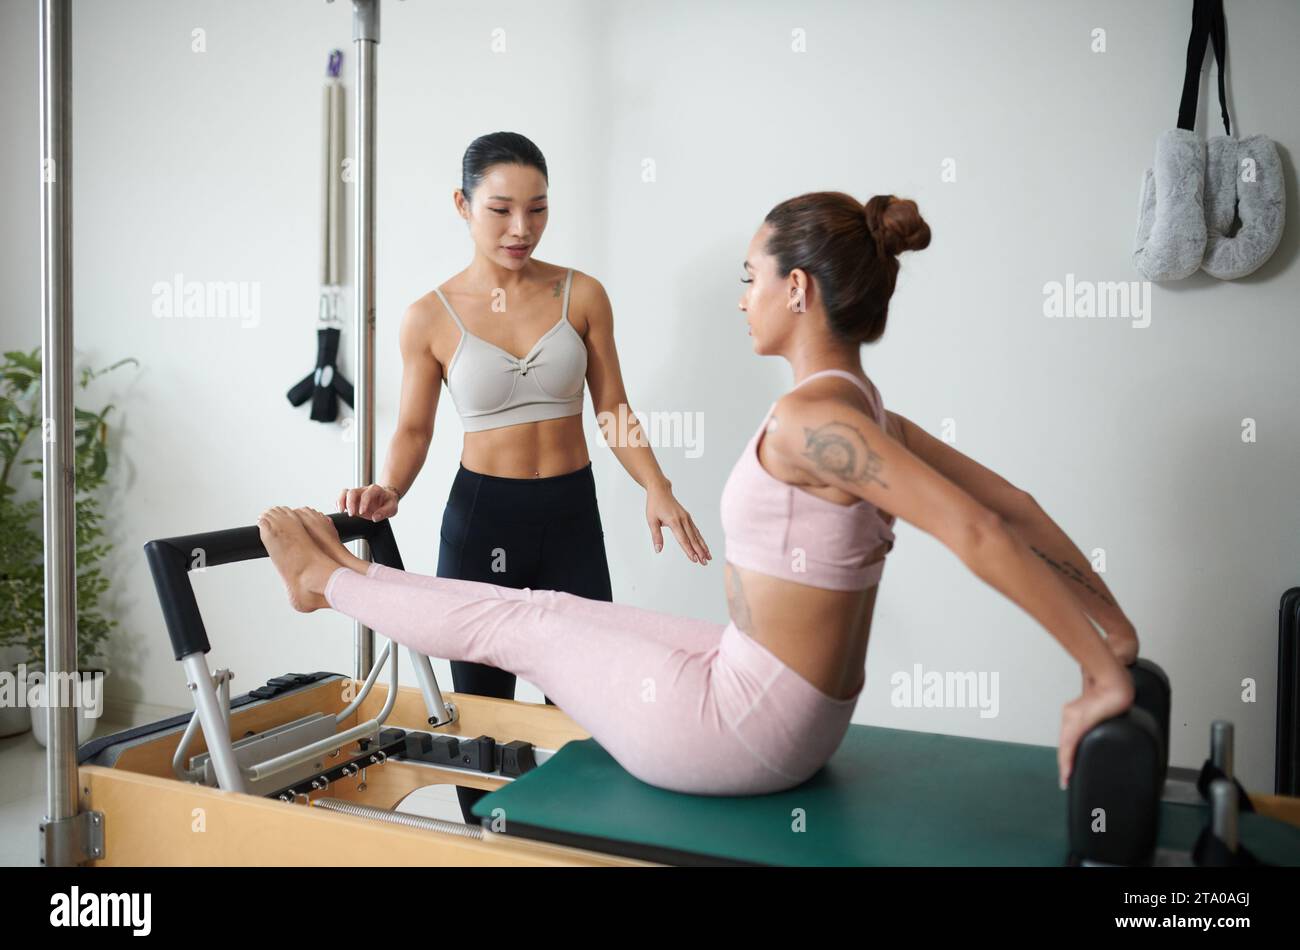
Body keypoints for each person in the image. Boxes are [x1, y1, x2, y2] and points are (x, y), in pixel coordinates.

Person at [271, 190, 1139, 795]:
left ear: (796, 290)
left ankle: (329, 584)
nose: (741, 300)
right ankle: (348, 581)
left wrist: (1102, 673)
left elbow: (986, 530)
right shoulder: (869, 413)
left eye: (750, 277)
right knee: (549, 609)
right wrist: (1118, 626)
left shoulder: (813, 428)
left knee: (519, 624)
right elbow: (1018, 504)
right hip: (771, 697)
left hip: (747, 731)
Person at [335, 132, 710, 820]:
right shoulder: (429, 316)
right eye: (501, 209)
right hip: (482, 521)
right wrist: (391, 486)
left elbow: (614, 409)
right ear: (462, 205)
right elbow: (415, 431)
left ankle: (578, 843)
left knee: (583, 705)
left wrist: (657, 486)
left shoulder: (582, 294)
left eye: (537, 210)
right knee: (483, 714)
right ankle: (489, 845)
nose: (521, 229)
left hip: (571, 517)